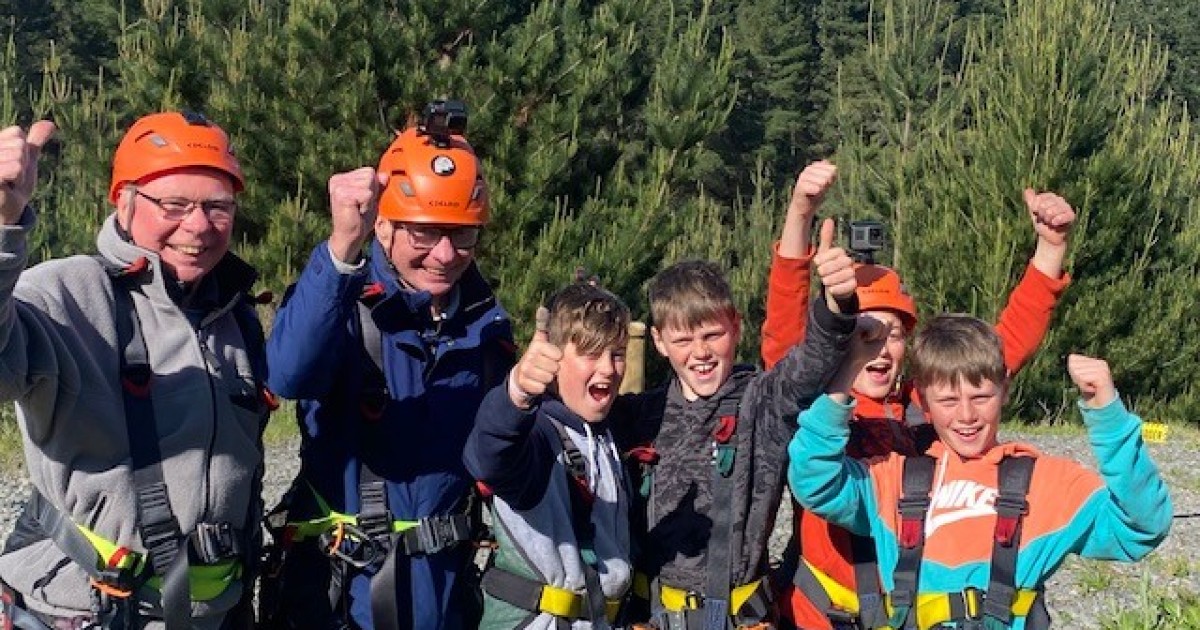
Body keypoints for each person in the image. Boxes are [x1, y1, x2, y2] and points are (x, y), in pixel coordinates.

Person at [761, 161, 1075, 630]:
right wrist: (801, 212)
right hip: (822, 615)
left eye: (893, 333)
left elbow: (999, 349)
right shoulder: (814, 400)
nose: (880, 349)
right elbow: (785, 326)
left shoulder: (924, 405)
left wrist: (1050, 249)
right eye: (863, 333)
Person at [0, 112, 272, 629]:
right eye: (174, 204)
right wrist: (2, 224)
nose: (198, 225)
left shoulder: (231, 313)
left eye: (218, 206)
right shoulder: (69, 293)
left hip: (213, 613)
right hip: (88, 610)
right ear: (123, 201)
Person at [262, 101, 515, 630]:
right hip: (344, 596)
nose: (445, 255)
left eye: (462, 234)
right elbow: (287, 374)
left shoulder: (485, 325)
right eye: (423, 233)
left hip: (446, 595)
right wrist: (340, 251)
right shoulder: (342, 305)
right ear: (383, 228)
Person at [788, 314, 1171, 629]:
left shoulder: (1048, 483)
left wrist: (1107, 413)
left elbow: (1142, 527)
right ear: (922, 400)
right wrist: (847, 370)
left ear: (1005, 390)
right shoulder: (894, 480)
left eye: (981, 397)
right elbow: (814, 480)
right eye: (949, 400)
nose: (967, 416)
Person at [609, 227, 859, 630]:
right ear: (658, 341)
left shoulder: (762, 403)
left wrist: (838, 303)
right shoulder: (639, 415)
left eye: (713, 335)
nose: (701, 352)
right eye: (684, 339)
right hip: (649, 617)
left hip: (738, 620)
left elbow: (812, 361)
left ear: (737, 327)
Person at [464, 282, 633, 629]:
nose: (607, 369)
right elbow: (488, 455)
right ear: (553, 359)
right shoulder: (539, 435)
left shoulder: (606, 438)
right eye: (590, 353)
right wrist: (518, 393)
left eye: (617, 353)